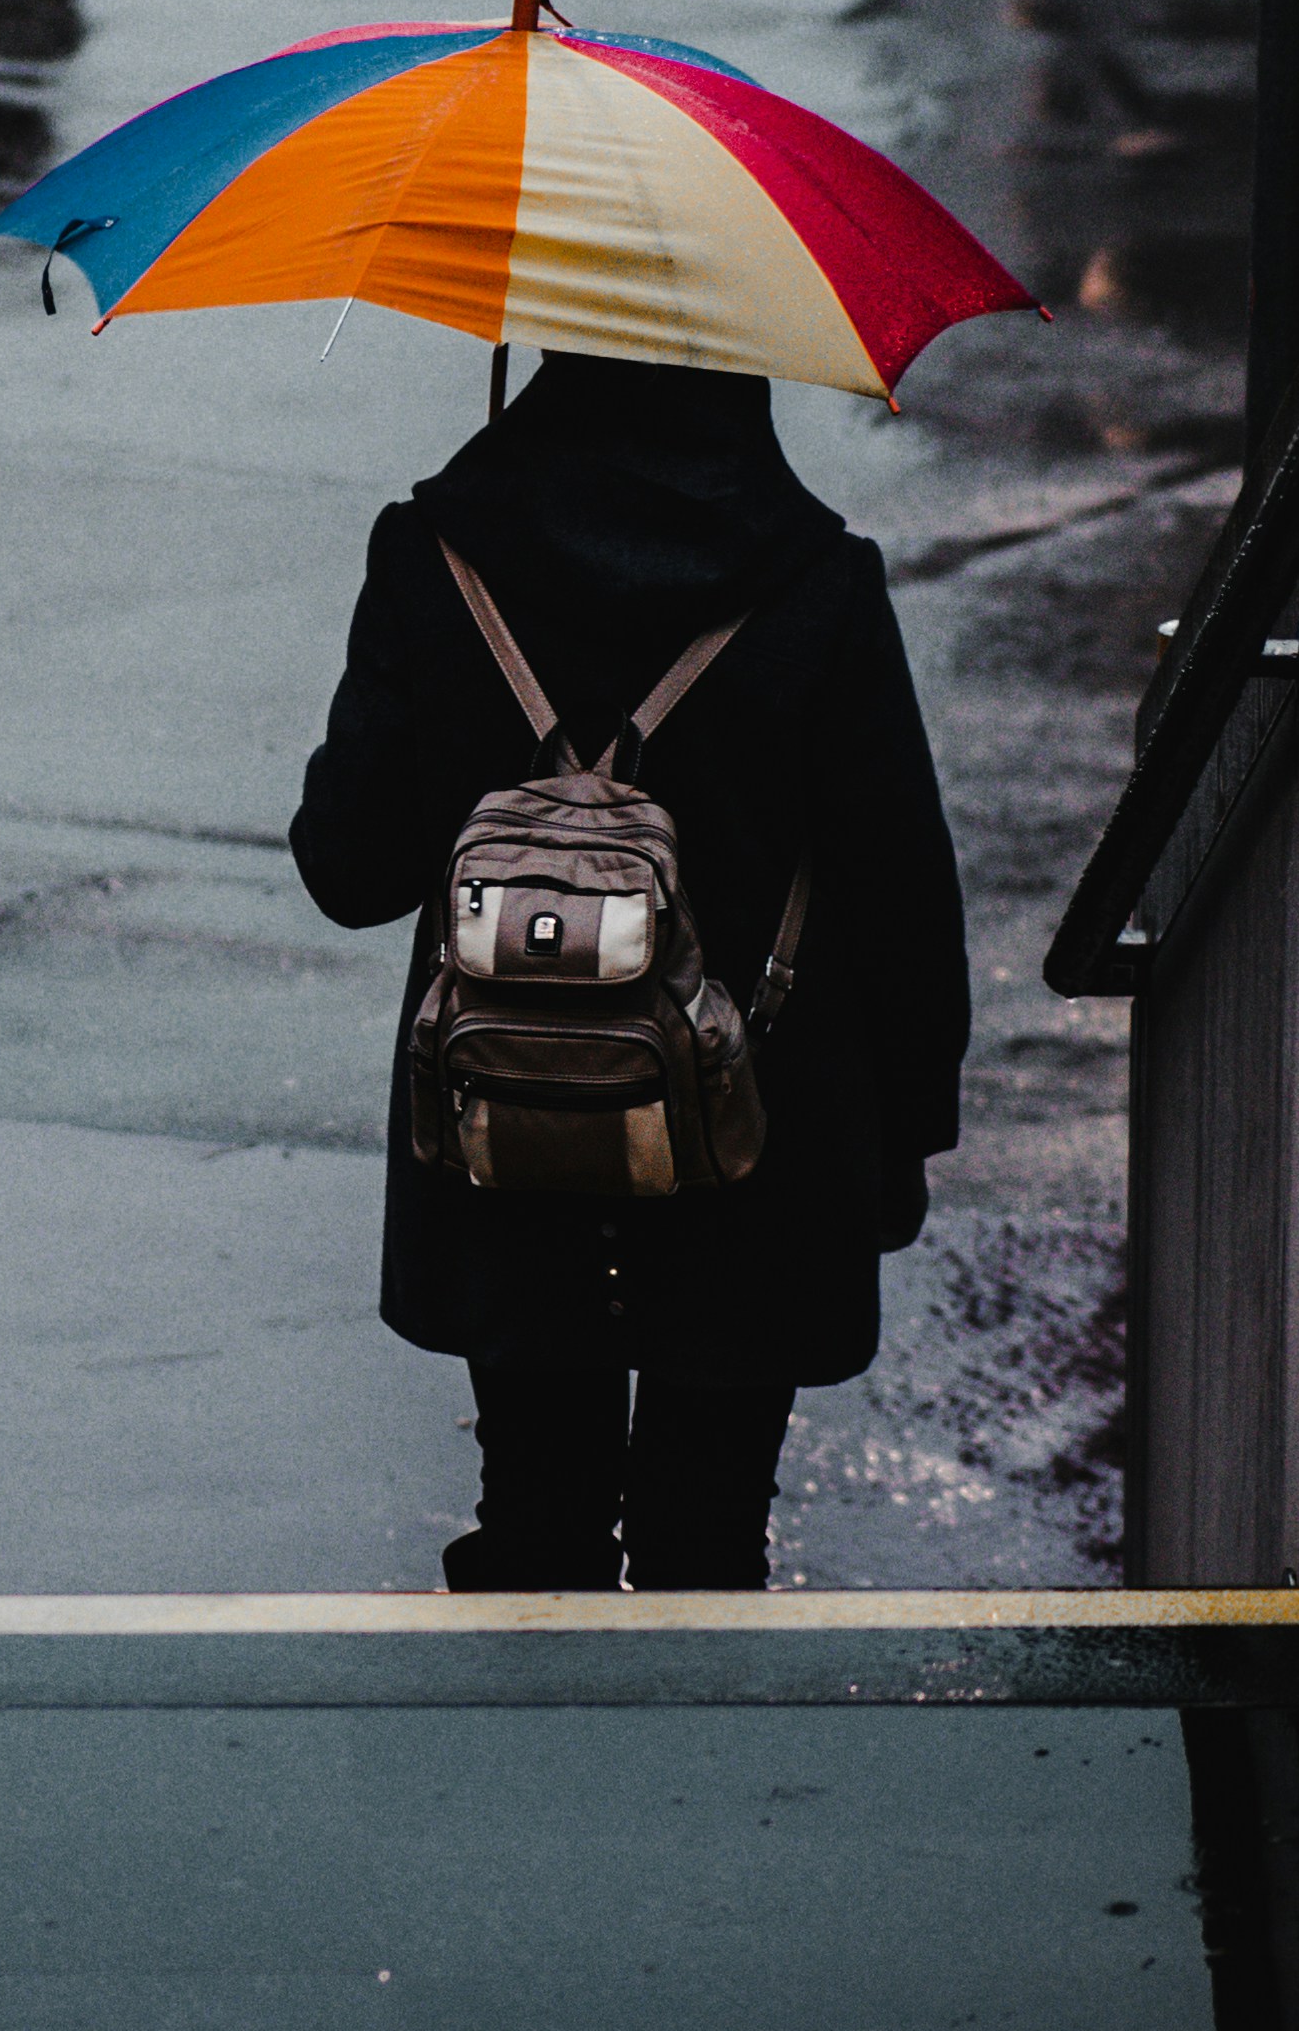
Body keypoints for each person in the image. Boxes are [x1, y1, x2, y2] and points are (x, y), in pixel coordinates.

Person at [289, 351, 968, 1590]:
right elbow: (897, 891)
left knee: (533, 1525)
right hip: (757, 1136)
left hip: (506, 1124)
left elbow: (348, 867)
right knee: (706, 1541)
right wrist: (906, 1132)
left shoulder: (434, 556)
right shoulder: (819, 582)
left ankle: (535, 1780)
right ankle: (697, 1779)